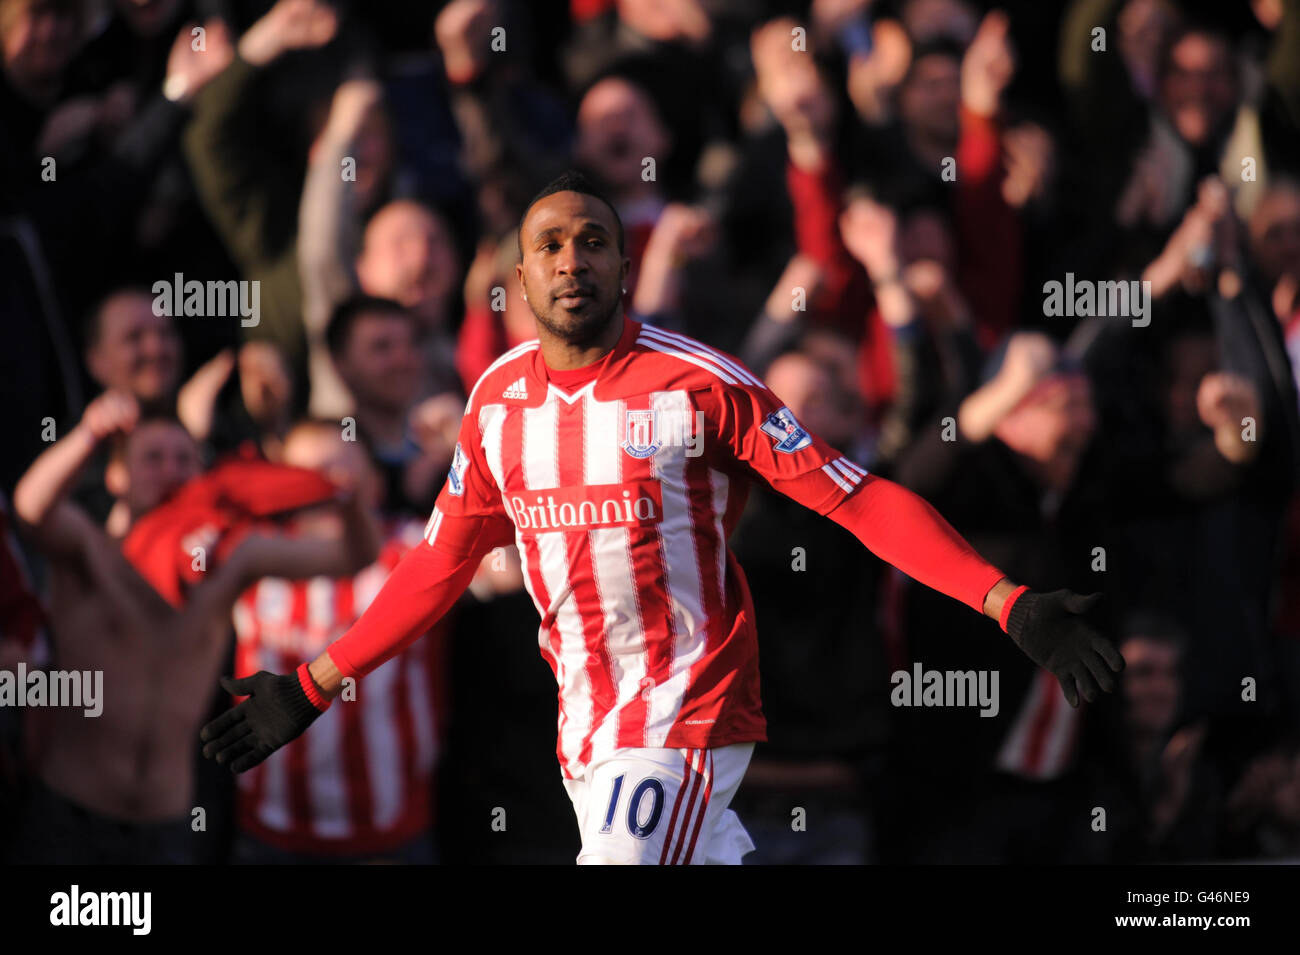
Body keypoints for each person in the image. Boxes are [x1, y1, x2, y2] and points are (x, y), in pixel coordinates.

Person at [201, 171, 1125, 865]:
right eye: (552, 244)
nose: (573, 258)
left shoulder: (702, 385)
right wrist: (314, 683)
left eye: (594, 241)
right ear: (519, 277)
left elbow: (855, 497)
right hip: (587, 729)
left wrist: (1006, 600)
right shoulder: (495, 405)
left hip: (687, 711)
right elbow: (441, 563)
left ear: (626, 264)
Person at [8, 390, 377, 863]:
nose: (170, 470)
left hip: (171, 819)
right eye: (153, 458)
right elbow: (31, 507)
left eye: (185, 458)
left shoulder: (227, 562)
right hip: (70, 810)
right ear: (116, 476)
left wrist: (340, 496)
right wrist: (89, 433)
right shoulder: (88, 550)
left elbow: (355, 555)